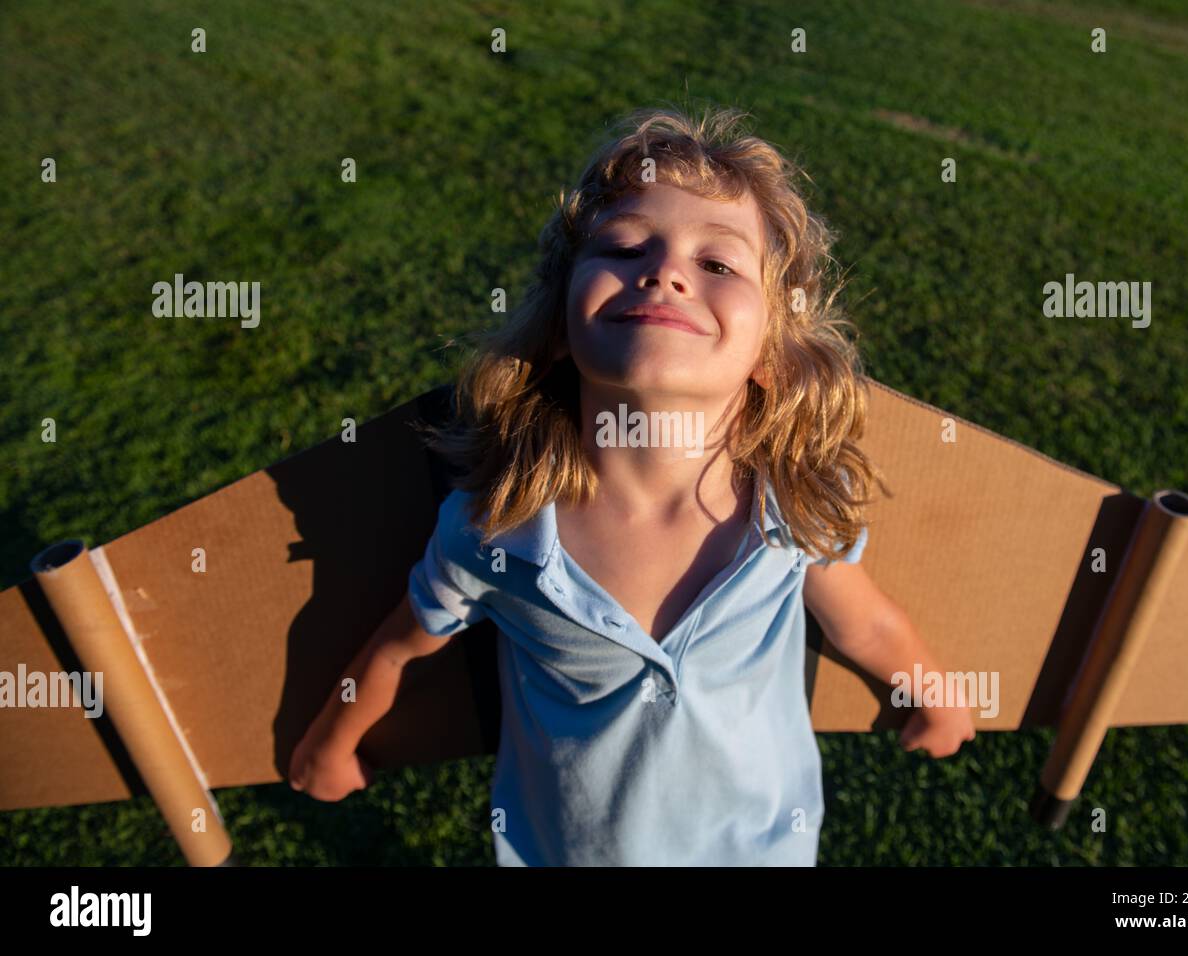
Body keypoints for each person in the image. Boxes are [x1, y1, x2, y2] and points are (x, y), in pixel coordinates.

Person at [290, 104, 975, 865]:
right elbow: (400, 649)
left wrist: (936, 696)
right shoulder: (497, 528)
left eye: (718, 265)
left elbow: (865, 625)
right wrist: (331, 743)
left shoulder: (793, 505)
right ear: (559, 324)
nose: (665, 271)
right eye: (622, 247)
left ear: (771, 353)